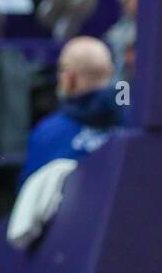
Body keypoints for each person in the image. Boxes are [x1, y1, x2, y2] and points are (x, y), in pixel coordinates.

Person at [19, 36, 121, 184]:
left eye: (61, 69)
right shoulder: (131, 125)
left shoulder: (47, 133)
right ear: (110, 72)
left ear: (70, 77)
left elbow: (30, 197)